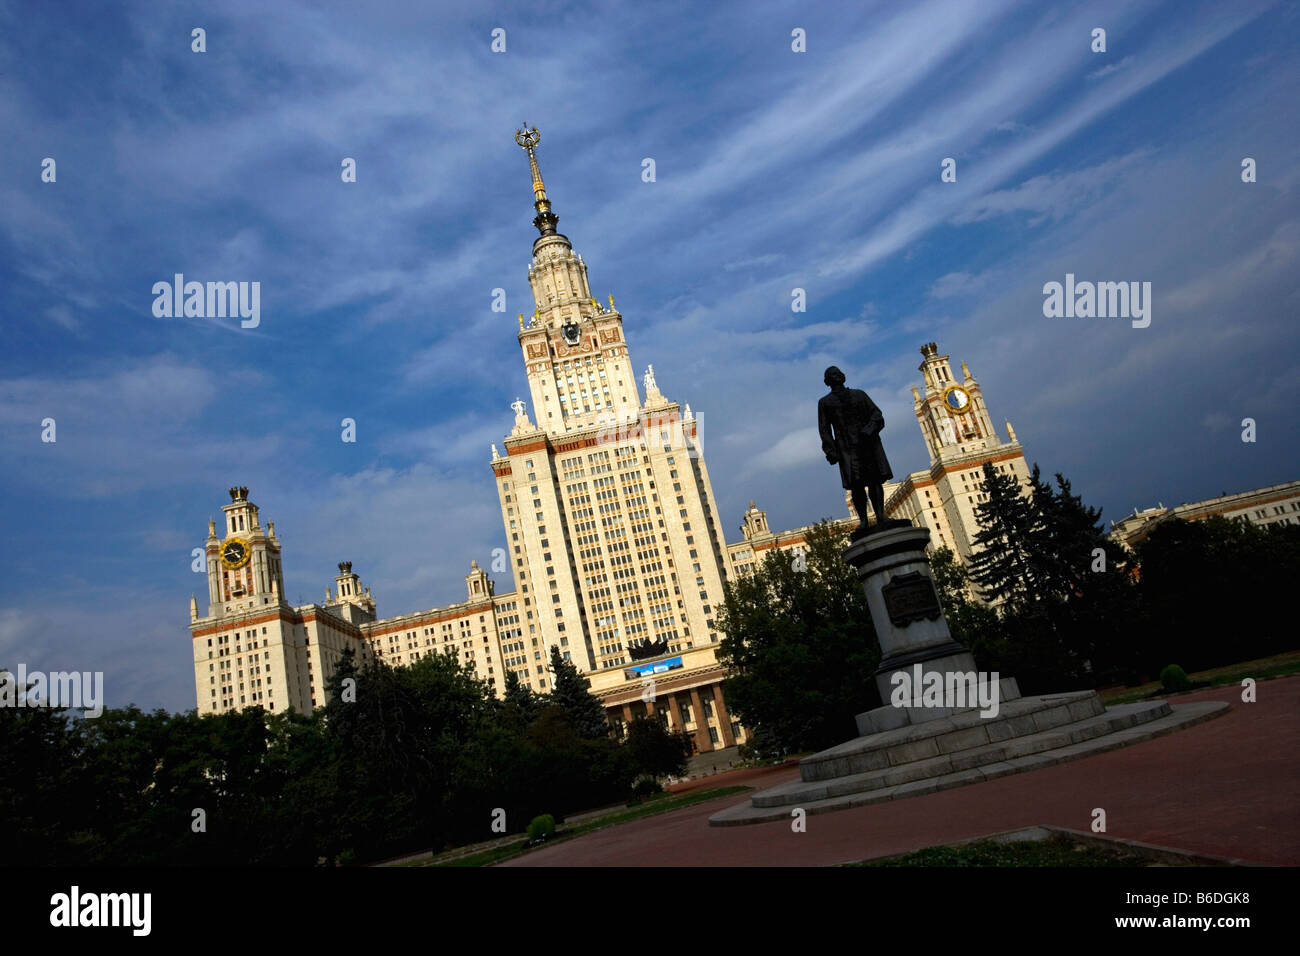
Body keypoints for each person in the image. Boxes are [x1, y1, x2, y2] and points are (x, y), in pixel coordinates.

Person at [818, 366, 894, 538]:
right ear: (827, 381)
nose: (835, 376)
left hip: (867, 443)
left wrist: (869, 429)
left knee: (875, 481)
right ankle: (864, 520)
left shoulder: (859, 394)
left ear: (843, 376)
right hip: (846, 448)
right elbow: (824, 429)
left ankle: (881, 516)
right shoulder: (825, 403)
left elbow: (876, 414)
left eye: (837, 373)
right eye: (831, 375)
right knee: (856, 485)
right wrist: (830, 450)